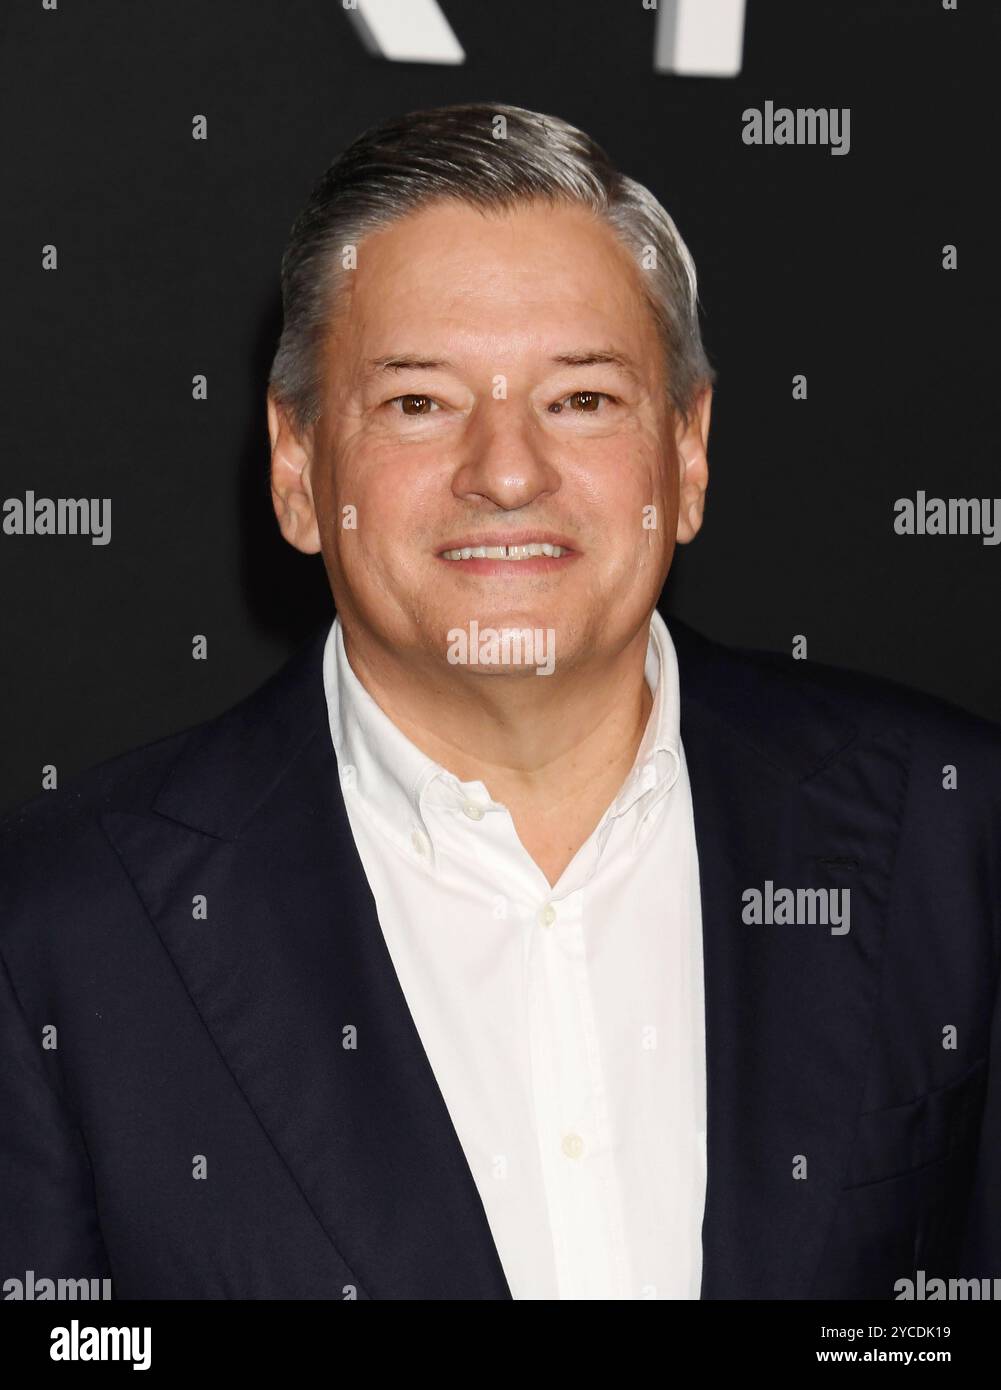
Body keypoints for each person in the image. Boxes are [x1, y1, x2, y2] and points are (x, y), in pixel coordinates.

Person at [2, 102, 999, 1301]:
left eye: (580, 398)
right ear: (294, 468)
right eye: (419, 402)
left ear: (685, 457)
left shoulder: (953, 832)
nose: (508, 472)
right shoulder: (55, 933)